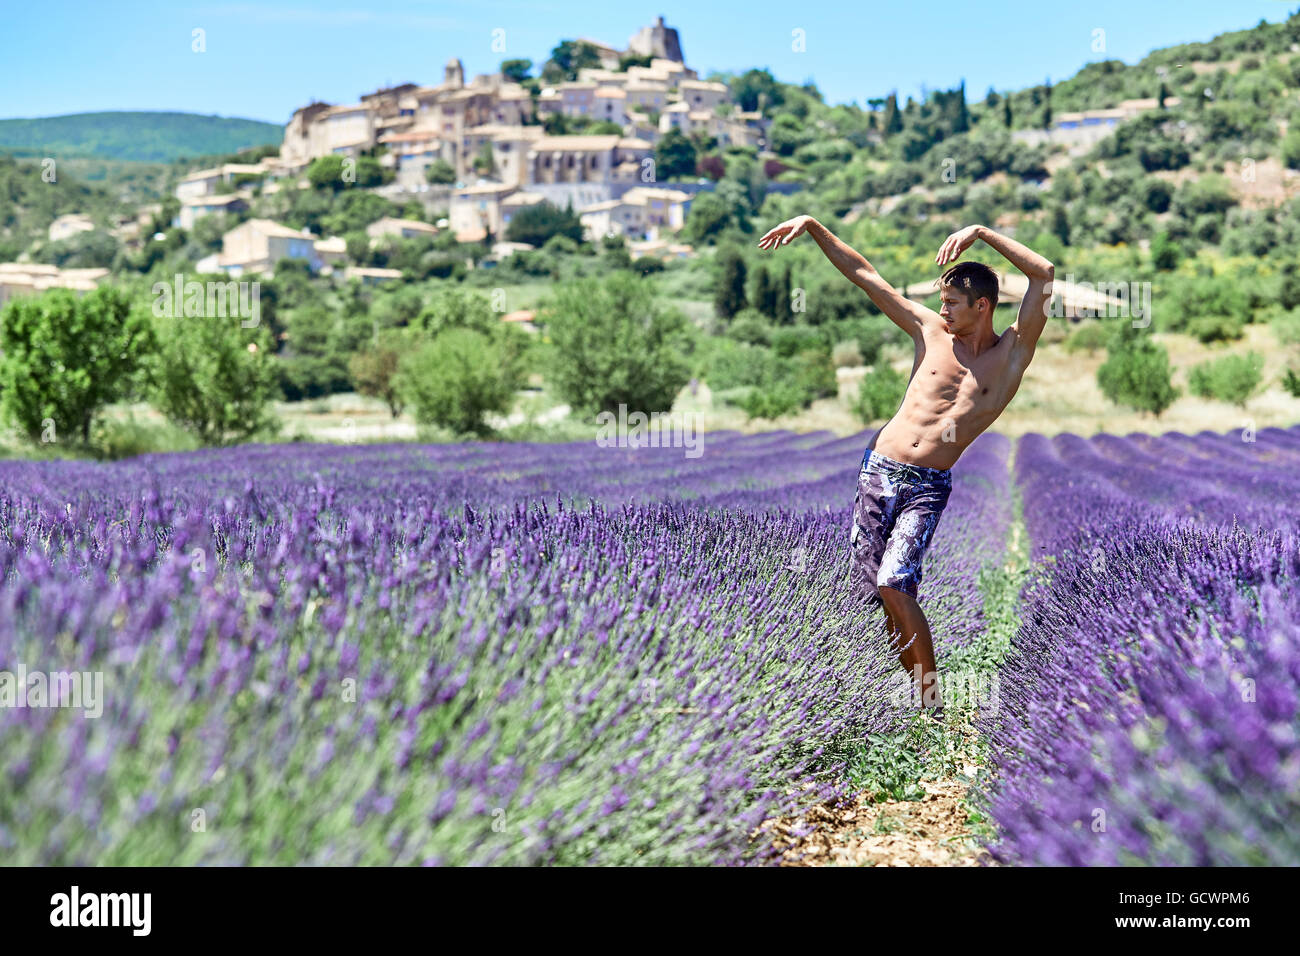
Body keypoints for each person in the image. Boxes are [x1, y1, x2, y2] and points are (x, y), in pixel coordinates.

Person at [757, 218, 1054, 714]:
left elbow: (1043, 274)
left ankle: (930, 707)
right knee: (872, 596)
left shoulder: (1012, 354)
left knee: (895, 584)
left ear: (982, 306)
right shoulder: (929, 331)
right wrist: (813, 227)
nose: (942, 310)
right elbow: (865, 275)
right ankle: (887, 698)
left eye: (952, 303)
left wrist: (981, 233)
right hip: (879, 472)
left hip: (927, 485)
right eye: (941, 302)